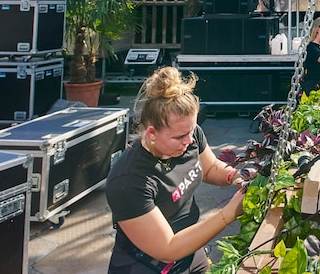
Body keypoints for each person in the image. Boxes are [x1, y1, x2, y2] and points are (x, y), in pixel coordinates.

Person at [106, 67, 247, 274]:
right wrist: (228, 214)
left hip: (190, 250)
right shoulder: (128, 181)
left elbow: (210, 169)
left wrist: (236, 176)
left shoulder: (189, 137)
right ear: (152, 133)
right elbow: (168, 248)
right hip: (147, 264)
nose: (189, 141)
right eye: (180, 137)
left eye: (191, 131)